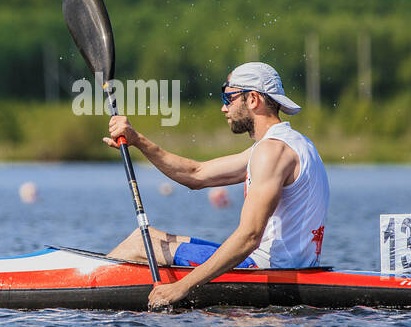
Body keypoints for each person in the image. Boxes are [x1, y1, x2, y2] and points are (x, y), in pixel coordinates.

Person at [104, 62, 330, 310]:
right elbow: (196, 175)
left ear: (253, 99)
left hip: (267, 268)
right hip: (290, 264)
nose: (224, 108)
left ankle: (75, 288)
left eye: (229, 97)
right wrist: (137, 140)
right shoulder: (293, 144)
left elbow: (249, 237)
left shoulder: (271, 152)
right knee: (147, 236)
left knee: (138, 246)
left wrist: (180, 288)